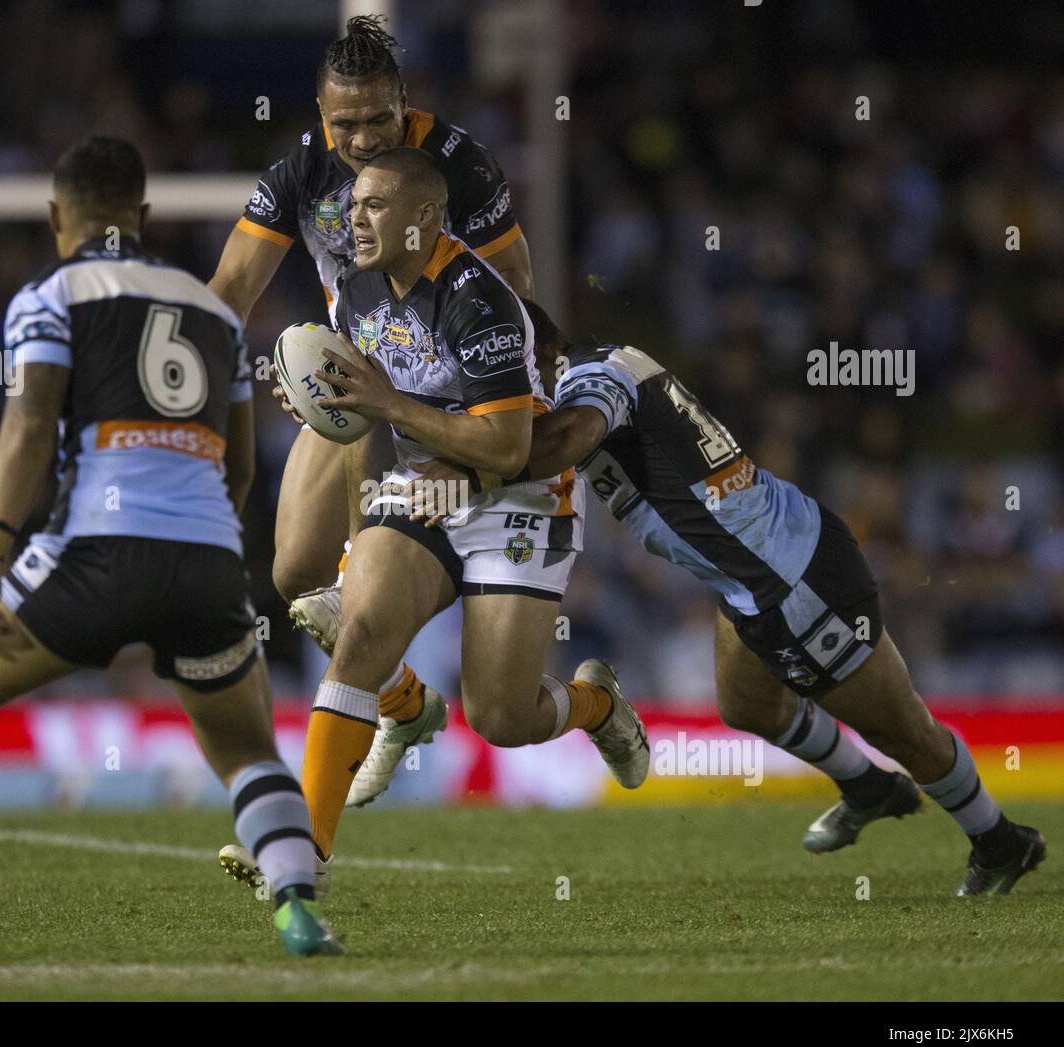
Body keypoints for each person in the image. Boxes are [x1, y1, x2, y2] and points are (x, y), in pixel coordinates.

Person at [0, 137, 341, 954]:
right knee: (246, 752)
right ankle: (298, 903)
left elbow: (25, 426)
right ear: (145, 217)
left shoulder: (51, 295)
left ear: (57, 216)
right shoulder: (213, 313)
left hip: (93, 555)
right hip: (206, 564)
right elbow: (238, 470)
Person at [378, 300, 1047, 896]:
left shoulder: (592, 379)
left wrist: (449, 447)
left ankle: (1000, 839)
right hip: (758, 573)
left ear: (531, 356)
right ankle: (868, 786)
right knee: (746, 703)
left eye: (489, 383)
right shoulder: (588, 373)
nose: (485, 402)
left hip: (793, 582)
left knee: (902, 730)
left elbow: (563, 442)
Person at [218, 149, 649, 898]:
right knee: (359, 630)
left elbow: (510, 447)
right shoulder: (353, 290)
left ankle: (597, 703)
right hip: (425, 486)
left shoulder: (476, 302)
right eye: (352, 206)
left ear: (424, 219)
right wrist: (323, 396)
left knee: (501, 716)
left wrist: (384, 404)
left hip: (519, 495)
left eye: (374, 206)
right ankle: (300, 850)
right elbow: (364, 390)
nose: (353, 218)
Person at [208, 15, 535, 778]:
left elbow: (518, 291)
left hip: (458, 401)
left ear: (405, 102)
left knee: (362, 603)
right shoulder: (298, 174)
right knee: (295, 579)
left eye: (378, 118)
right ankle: (407, 704)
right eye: (343, 123)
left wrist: (482, 432)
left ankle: (383, 665)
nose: (361, 138)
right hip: (363, 377)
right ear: (321, 116)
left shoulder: (460, 165)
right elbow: (230, 290)